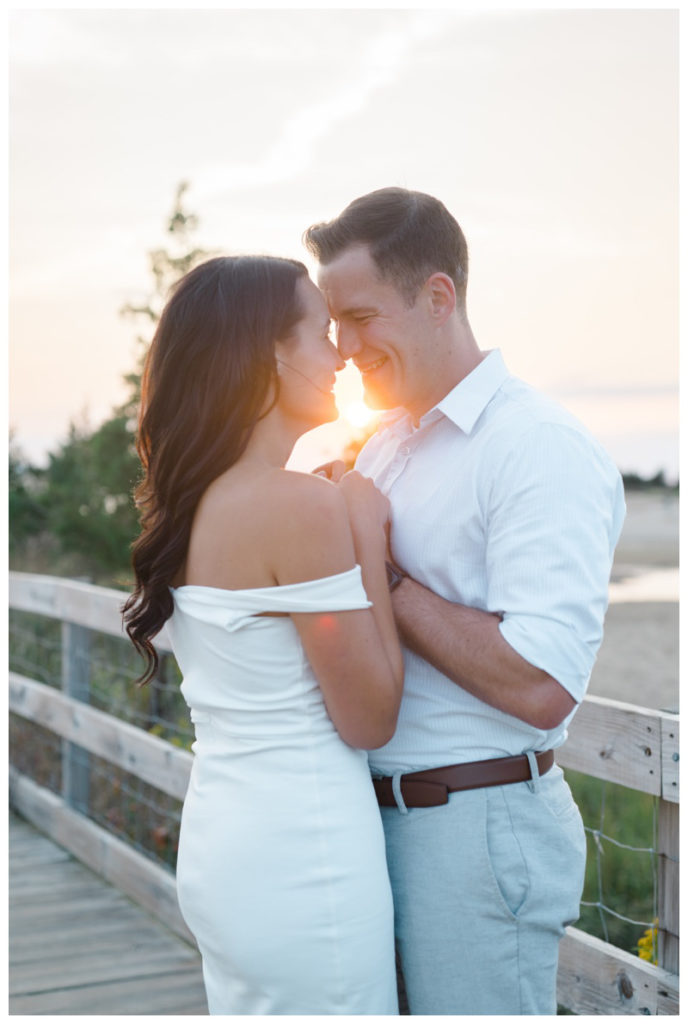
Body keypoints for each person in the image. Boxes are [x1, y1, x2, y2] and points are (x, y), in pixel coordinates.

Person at [304, 187, 626, 1015]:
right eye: (334, 323)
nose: (344, 347)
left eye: (361, 317)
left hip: (475, 831)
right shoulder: (387, 446)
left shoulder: (536, 446)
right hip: (377, 826)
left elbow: (543, 683)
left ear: (438, 296)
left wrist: (387, 578)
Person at [122, 255, 404, 1015]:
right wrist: (364, 532)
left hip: (224, 842)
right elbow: (370, 716)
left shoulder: (195, 501)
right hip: (303, 855)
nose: (341, 354)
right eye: (321, 332)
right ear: (271, 356)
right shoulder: (300, 508)